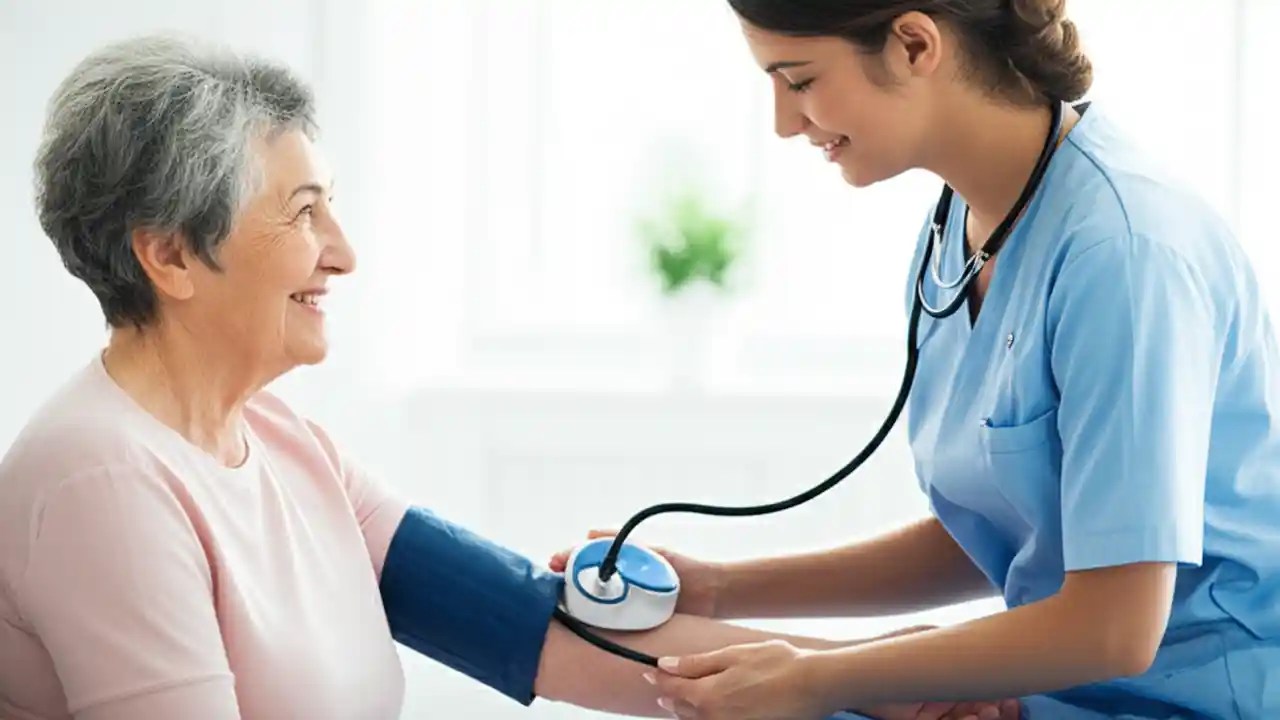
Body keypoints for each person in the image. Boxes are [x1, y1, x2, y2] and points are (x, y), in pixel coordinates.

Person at [0, 34, 1019, 720]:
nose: (342, 252)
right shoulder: (99, 481)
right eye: (300, 212)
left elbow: (528, 621)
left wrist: (865, 688)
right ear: (168, 254)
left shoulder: (277, 443)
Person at [551, 1, 1280, 718]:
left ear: (912, 45)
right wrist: (720, 587)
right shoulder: (960, 233)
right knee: (640, 652)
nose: (782, 122)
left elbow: (1116, 627)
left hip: (1202, 699)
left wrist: (827, 678)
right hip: (1061, 691)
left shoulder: (1123, 255)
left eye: (798, 80)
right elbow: (1014, 530)